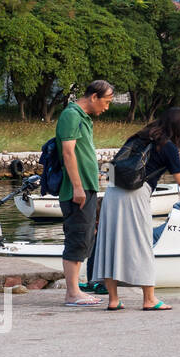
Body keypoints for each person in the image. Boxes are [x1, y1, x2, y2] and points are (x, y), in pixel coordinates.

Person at [93, 107, 180, 311]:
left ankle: (113, 299)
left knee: (109, 242)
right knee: (143, 243)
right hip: (135, 193)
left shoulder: (140, 136)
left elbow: (113, 167)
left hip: (113, 191)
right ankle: (148, 299)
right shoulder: (167, 147)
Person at [57, 80, 115, 306]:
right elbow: (68, 153)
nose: (107, 107)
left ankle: (76, 289)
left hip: (88, 187)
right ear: (94, 97)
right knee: (78, 236)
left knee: (84, 237)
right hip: (77, 190)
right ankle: (72, 293)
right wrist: (78, 187)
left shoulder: (84, 118)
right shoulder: (71, 115)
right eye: (107, 102)